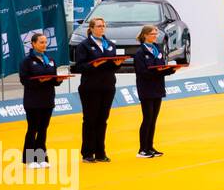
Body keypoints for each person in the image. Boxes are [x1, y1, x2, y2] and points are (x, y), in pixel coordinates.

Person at [72, 16, 125, 163]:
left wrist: (117, 64)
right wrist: (93, 65)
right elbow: (79, 66)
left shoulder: (109, 44)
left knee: (103, 119)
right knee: (90, 120)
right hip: (90, 87)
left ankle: (100, 152)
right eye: (99, 26)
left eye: (103, 26)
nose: (102, 28)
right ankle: (87, 153)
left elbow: (112, 66)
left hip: (107, 86)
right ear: (92, 28)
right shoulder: (84, 45)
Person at [132, 25, 173, 158]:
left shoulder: (158, 49)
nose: (155, 36)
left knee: (153, 119)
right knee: (147, 118)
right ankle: (142, 149)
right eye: (152, 34)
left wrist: (170, 70)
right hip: (146, 88)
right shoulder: (140, 53)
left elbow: (161, 67)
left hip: (158, 87)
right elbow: (142, 71)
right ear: (145, 35)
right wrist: (158, 71)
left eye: (156, 34)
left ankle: (150, 146)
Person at [18, 32, 58, 168]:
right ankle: (29, 159)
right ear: (33, 44)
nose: (44, 44)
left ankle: (41, 158)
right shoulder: (26, 61)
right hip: (33, 101)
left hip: (47, 99)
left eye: (45, 42)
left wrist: (58, 80)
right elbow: (24, 80)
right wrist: (40, 81)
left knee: (43, 129)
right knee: (32, 129)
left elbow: (54, 79)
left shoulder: (50, 59)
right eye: (41, 42)